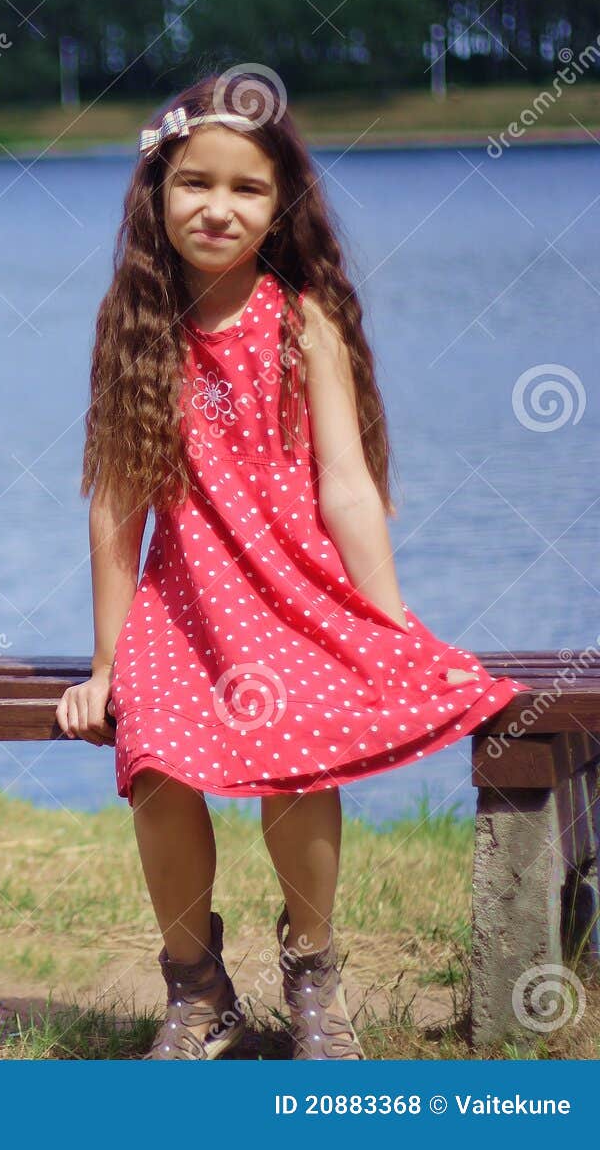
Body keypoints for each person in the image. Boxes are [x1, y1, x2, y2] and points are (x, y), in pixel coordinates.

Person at [54, 75, 526, 1061]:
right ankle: (195, 986)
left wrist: (388, 621)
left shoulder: (299, 321)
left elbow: (350, 487)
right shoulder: (136, 327)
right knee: (155, 754)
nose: (216, 208)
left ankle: (311, 967)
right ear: (156, 192)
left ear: (281, 208)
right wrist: (106, 665)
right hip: (182, 604)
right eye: (193, 183)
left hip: (296, 594)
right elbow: (116, 505)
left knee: (299, 740)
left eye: (245, 189)